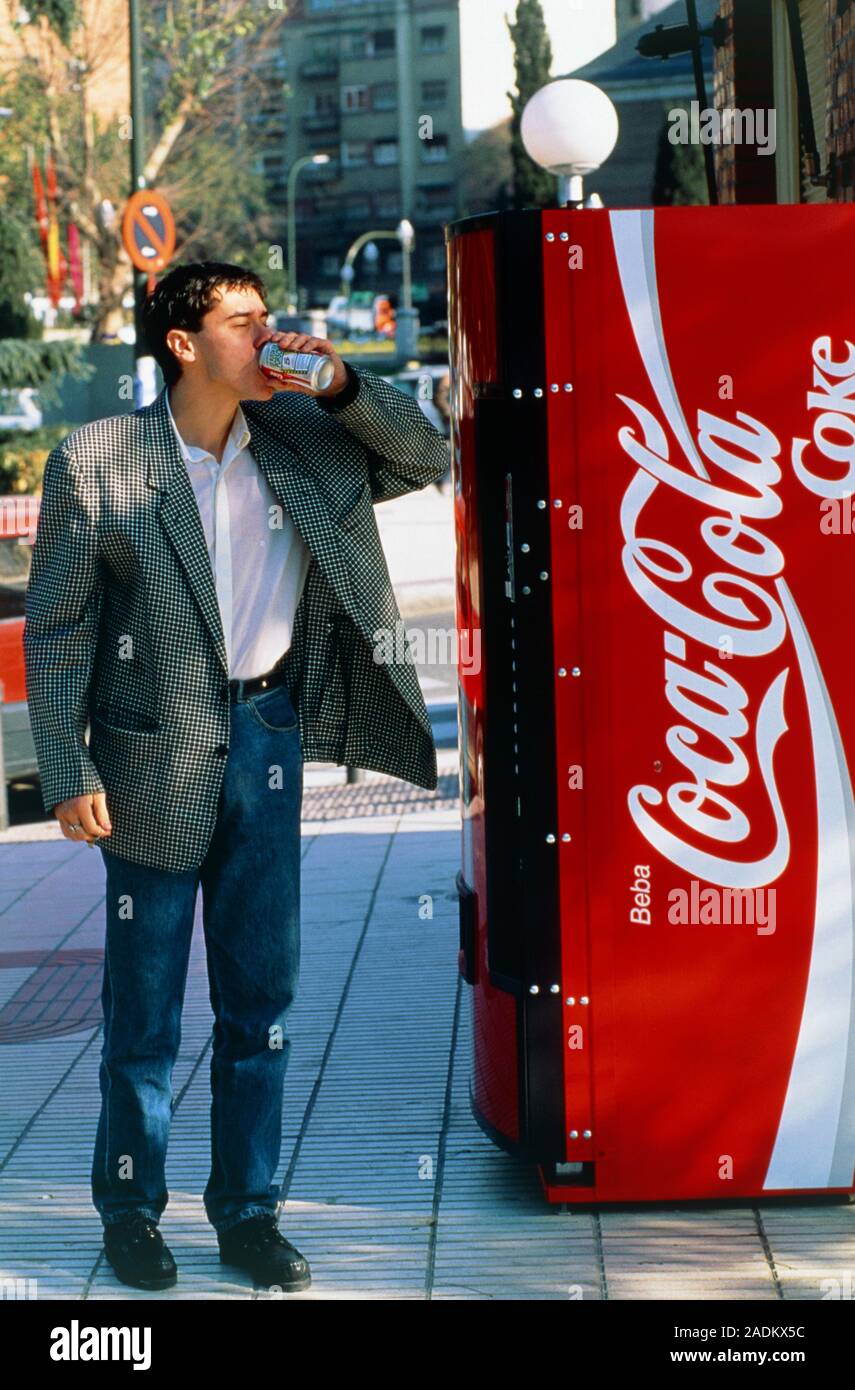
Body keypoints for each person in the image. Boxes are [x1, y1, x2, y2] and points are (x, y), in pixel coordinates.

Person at [23, 261, 448, 1293]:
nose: (270, 335)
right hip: (148, 751)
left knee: (262, 999)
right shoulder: (101, 460)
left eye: (271, 317)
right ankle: (131, 1212)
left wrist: (342, 383)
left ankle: (248, 1214)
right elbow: (60, 626)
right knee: (146, 1012)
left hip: (265, 733)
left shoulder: (306, 438)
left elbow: (429, 453)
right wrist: (67, 762)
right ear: (182, 341)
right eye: (244, 321)